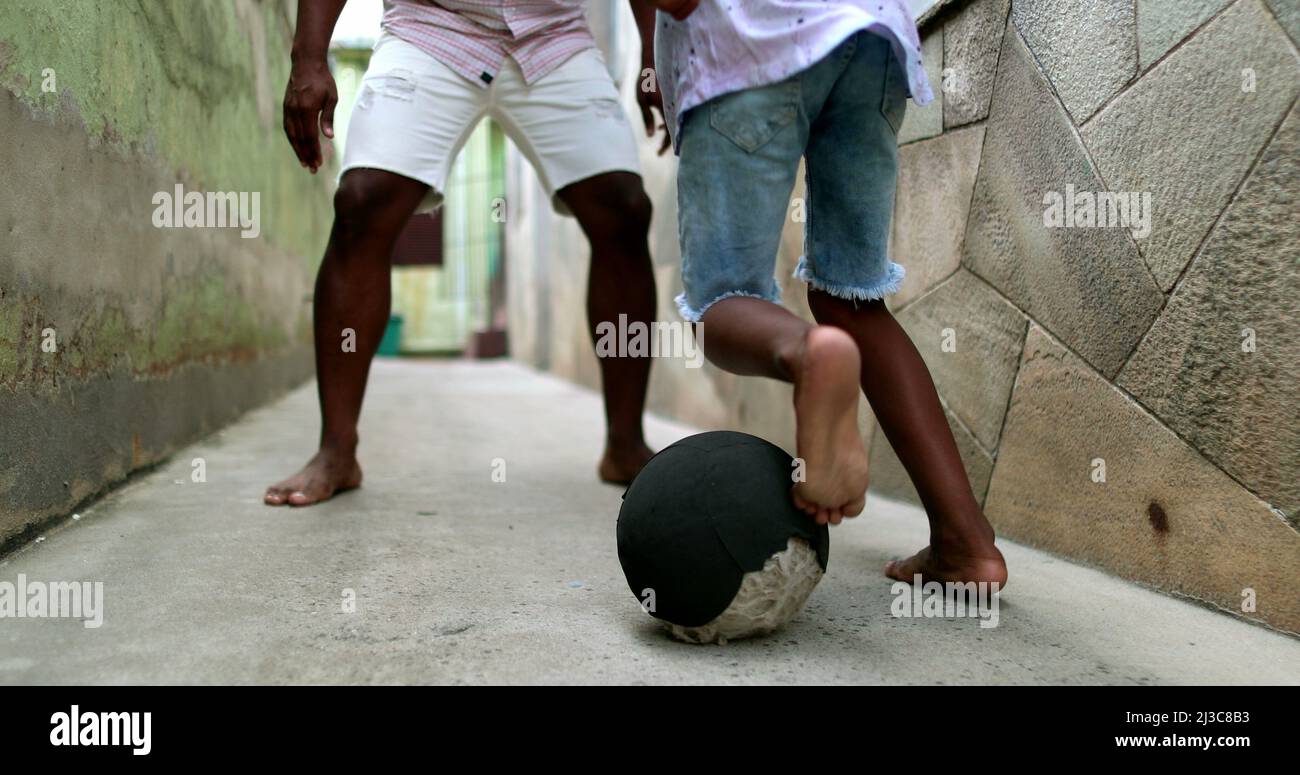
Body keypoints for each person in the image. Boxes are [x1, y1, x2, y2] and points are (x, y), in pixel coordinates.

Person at [267, 0, 688, 506]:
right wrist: (309, 57)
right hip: (430, 27)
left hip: (553, 35)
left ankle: (624, 444)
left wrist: (652, 51)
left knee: (624, 210)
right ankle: (337, 451)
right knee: (362, 202)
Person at [650, 0, 1007, 586]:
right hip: (872, 43)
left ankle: (811, 355)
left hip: (747, 42)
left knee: (722, 304)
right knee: (854, 303)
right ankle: (966, 541)